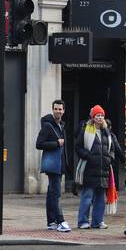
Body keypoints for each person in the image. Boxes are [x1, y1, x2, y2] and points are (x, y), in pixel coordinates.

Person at [75, 106, 120, 230]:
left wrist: (110, 159)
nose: (100, 118)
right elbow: (78, 147)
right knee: (87, 197)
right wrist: (87, 155)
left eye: (101, 115)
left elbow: (112, 149)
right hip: (89, 168)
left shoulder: (107, 132)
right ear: (93, 117)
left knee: (100, 198)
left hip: (103, 170)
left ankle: (98, 221)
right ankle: (83, 221)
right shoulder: (86, 130)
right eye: (97, 115)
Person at [35, 99, 71, 232]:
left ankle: (51, 221)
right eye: (56, 109)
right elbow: (39, 144)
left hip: (60, 164)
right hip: (53, 164)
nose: (58, 111)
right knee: (56, 193)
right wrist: (56, 143)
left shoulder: (62, 125)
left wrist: (66, 163)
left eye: (60, 109)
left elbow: (64, 146)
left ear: (64, 111)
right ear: (53, 110)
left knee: (51, 193)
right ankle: (60, 221)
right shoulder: (47, 125)